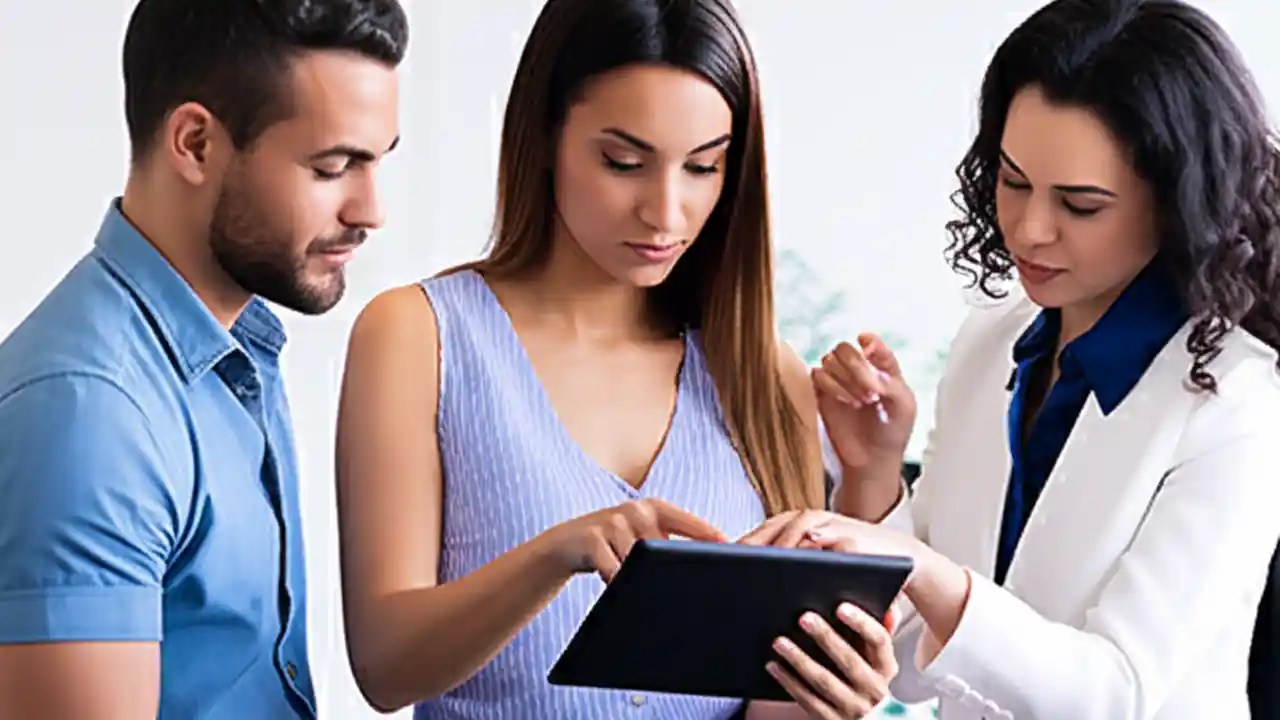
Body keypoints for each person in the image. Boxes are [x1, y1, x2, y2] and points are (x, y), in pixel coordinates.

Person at [335, 0, 897, 718]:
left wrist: (832, 691)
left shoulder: (765, 377)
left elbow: (763, 704)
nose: (666, 213)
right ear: (543, 136)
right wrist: (557, 552)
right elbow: (386, 668)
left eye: (702, 167)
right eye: (624, 162)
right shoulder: (421, 336)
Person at [744, 1, 1280, 718]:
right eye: (1013, 180)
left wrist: (932, 573)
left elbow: (1112, 697)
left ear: (1179, 201)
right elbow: (909, 667)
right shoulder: (992, 344)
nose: (1029, 230)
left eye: (1081, 205)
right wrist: (872, 478)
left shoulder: (1239, 402)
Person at [0, 1, 406, 718]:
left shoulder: (234, 348)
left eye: (379, 162)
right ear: (194, 143)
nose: (370, 210)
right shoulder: (91, 414)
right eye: (334, 166)